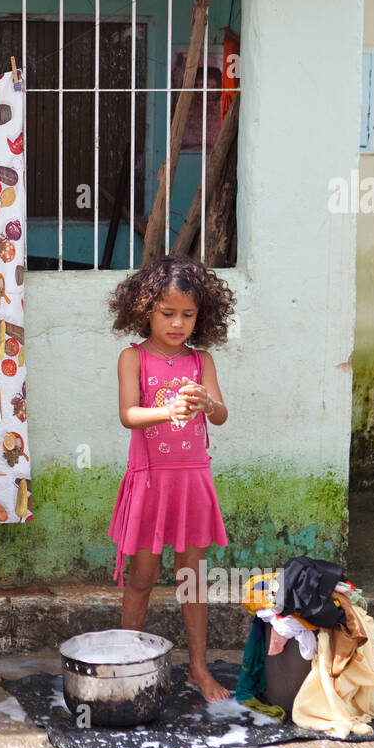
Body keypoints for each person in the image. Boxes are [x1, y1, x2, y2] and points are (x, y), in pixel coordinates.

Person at [107, 254, 237, 702]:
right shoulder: (133, 357)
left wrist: (207, 404)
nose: (178, 323)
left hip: (192, 482)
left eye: (188, 314)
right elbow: (128, 415)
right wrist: (168, 410)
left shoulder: (202, 362)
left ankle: (198, 668)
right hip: (150, 481)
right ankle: (125, 662)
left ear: (202, 316)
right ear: (145, 309)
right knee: (143, 575)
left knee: (192, 576)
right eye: (168, 313)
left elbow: (220, 416)